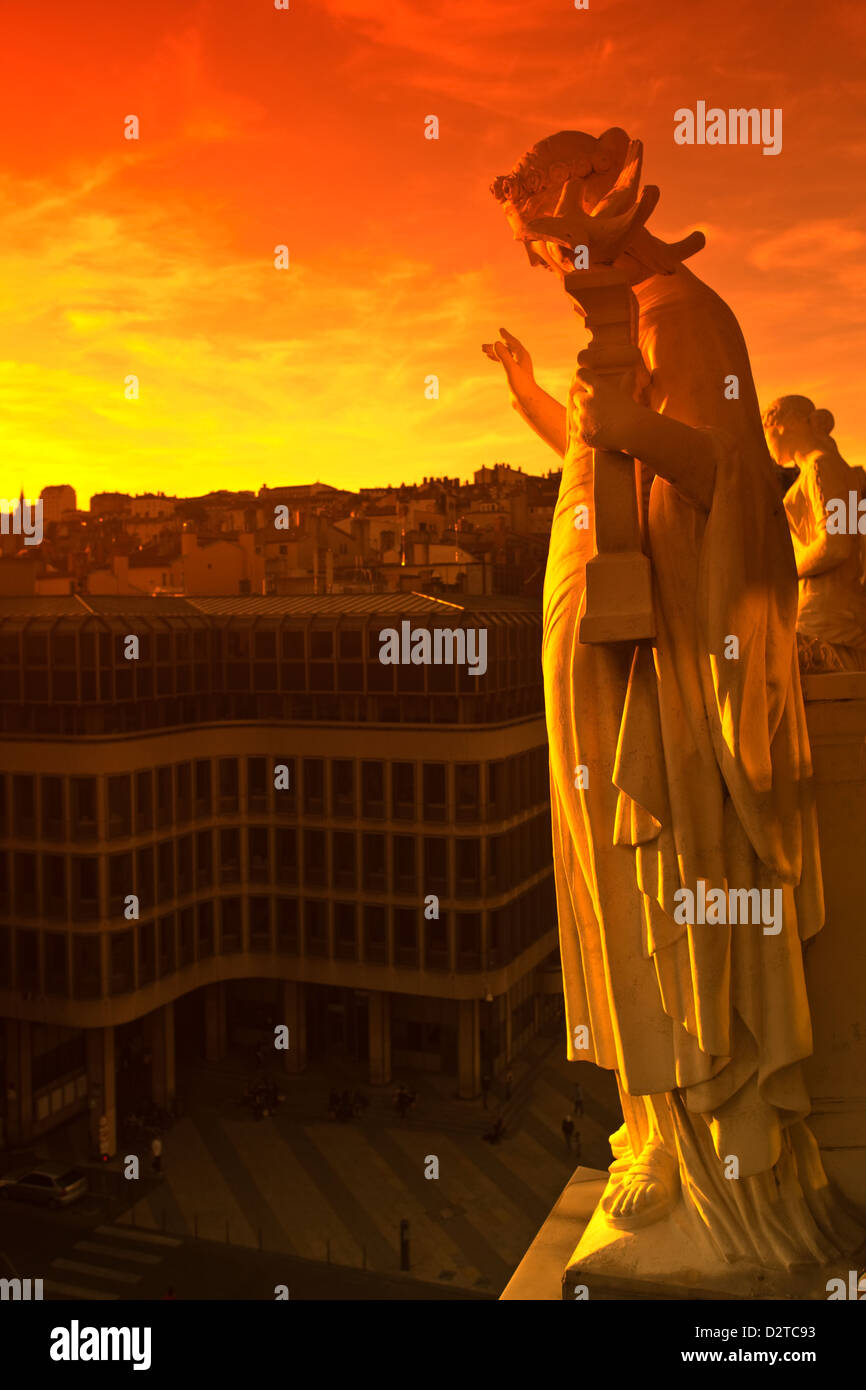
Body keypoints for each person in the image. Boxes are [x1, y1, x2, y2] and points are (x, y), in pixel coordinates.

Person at [484, 125, 863, 1266]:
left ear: (600, 211)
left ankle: (709, 1151)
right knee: (618, 879)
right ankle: (656, 1123)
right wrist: (540, 406)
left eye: (551, 245)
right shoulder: (637, 322)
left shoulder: (685, 316)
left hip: (666, 654)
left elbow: (729, 479)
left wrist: (629, 420)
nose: (552, 273)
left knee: (666, 872)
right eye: (545, 256)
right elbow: (600, 462)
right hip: (606, 653)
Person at [763, 395, 866, 672]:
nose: (767, 444)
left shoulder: (822, 467)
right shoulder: (821, 468)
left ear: (783, 426)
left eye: (766, 431)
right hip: (825, 611)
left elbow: (836, 546)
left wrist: (783, 570)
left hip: (827, 618)